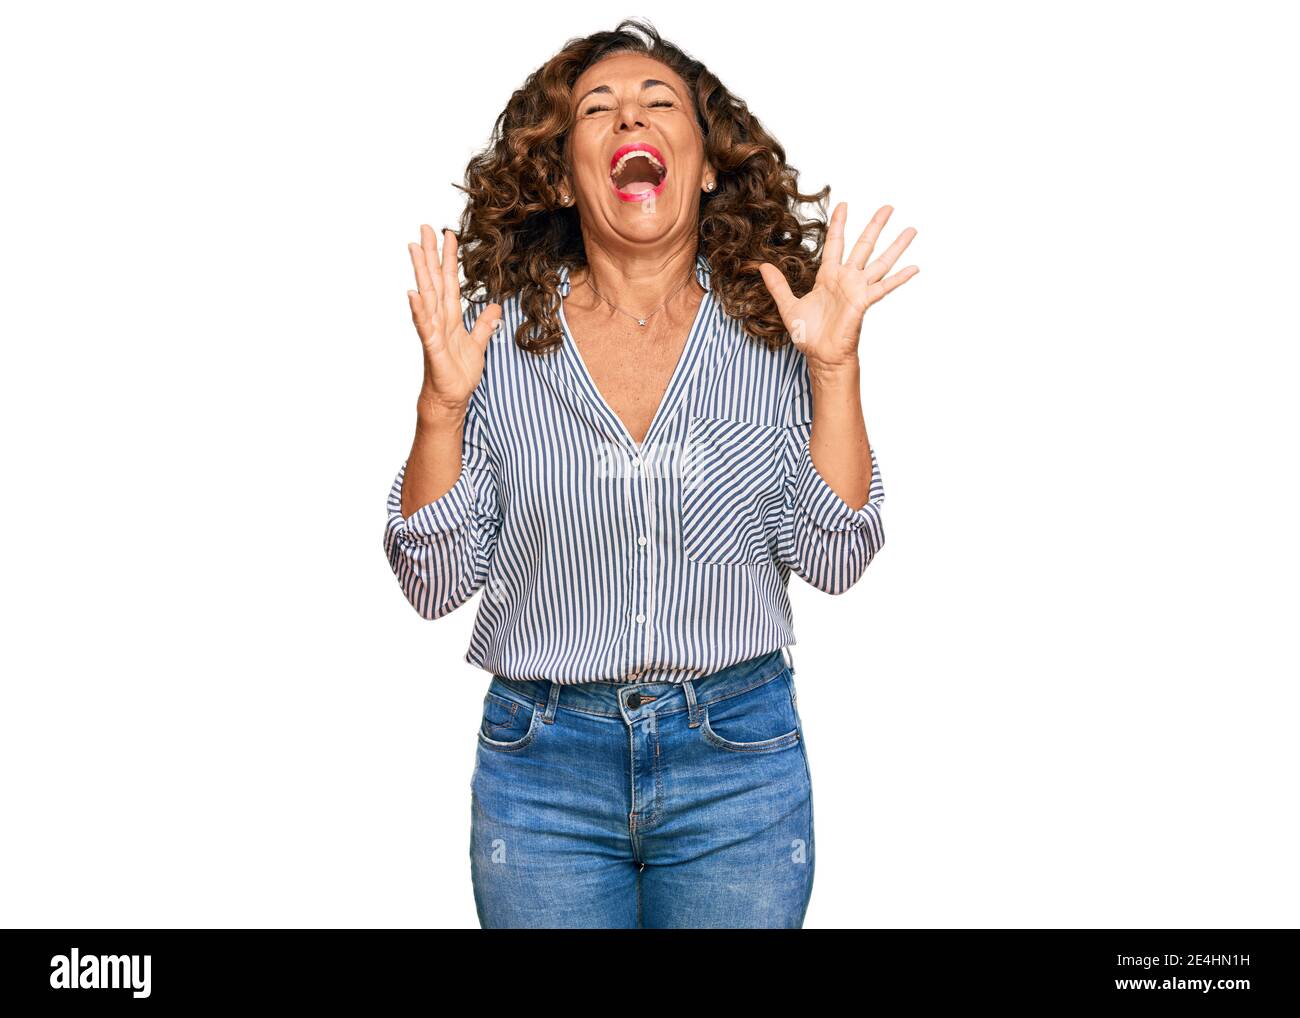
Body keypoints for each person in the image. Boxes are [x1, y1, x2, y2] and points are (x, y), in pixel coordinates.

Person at [383, 18, 918, 928]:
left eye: (658, 102)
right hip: (541, 770)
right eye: (598, 109)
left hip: (737, 766)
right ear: (561, 175)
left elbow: (835, 558)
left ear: (704, 164)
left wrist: (834, 372)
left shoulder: (775, 331)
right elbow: (433, 581)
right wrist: (440, 407)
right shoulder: (493, 341)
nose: (630, 114)